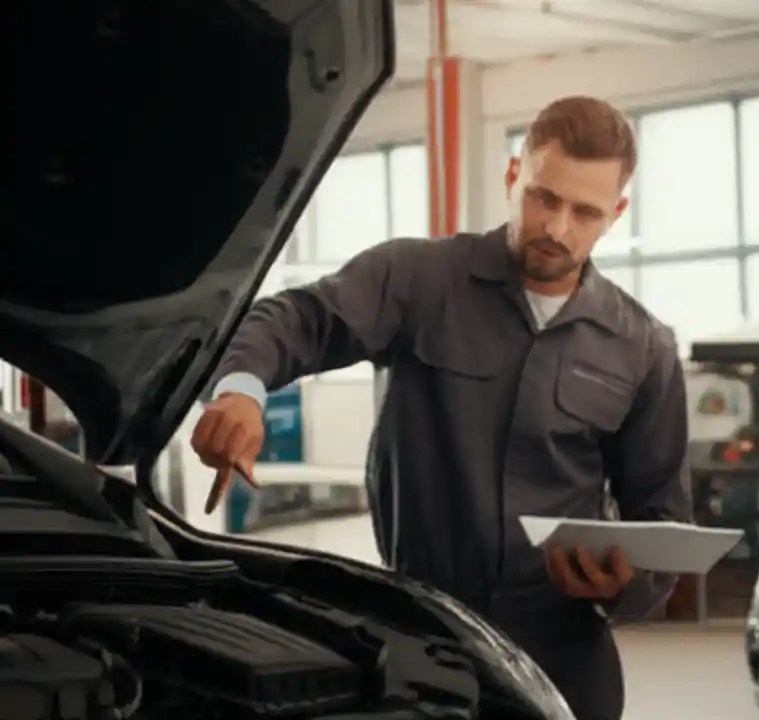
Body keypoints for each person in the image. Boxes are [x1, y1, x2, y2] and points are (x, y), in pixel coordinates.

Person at [190, 95, 693, 720]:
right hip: (422, 645)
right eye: (544, 198)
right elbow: (295, 319)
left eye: (584, 212)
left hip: (565, 664)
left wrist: (624, 585)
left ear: (615, 214)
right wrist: (242, 388)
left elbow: (661, 518)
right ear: (513, 176)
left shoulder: (644, 347)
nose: (558, 229)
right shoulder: (418, 280)